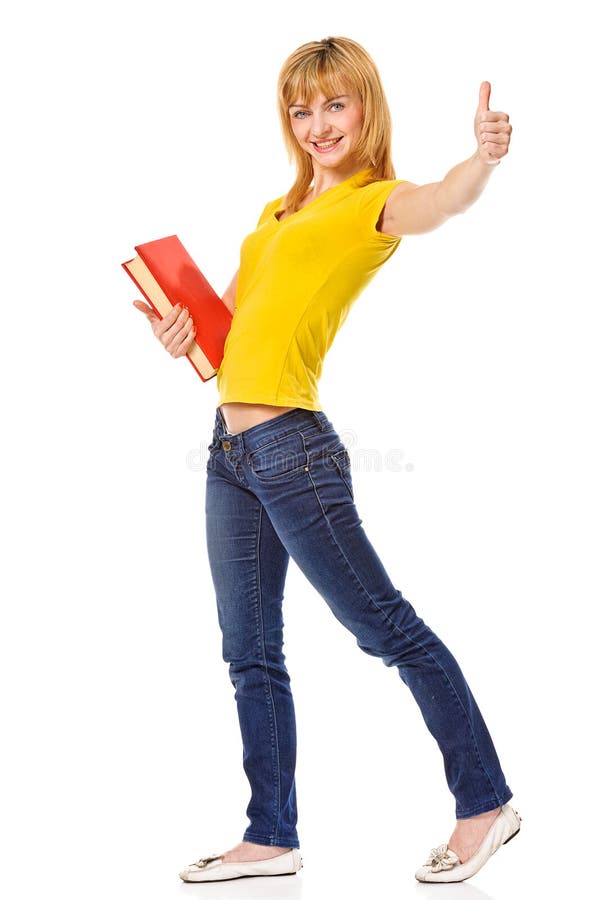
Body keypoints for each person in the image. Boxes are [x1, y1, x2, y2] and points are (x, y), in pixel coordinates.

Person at [133, 36, 520, 885]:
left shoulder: (375, 203)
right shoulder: (274, 216)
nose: (317, 124)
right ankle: (270, 836)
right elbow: (224, 339)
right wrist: (177, 331)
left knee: (385, 629)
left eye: (334, 104)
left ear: (365, 108)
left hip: (292, 451)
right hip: (230, 453)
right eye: (301, 110)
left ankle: (485, 803)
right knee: (248, 650)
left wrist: (480, 161)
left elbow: (442, 201)